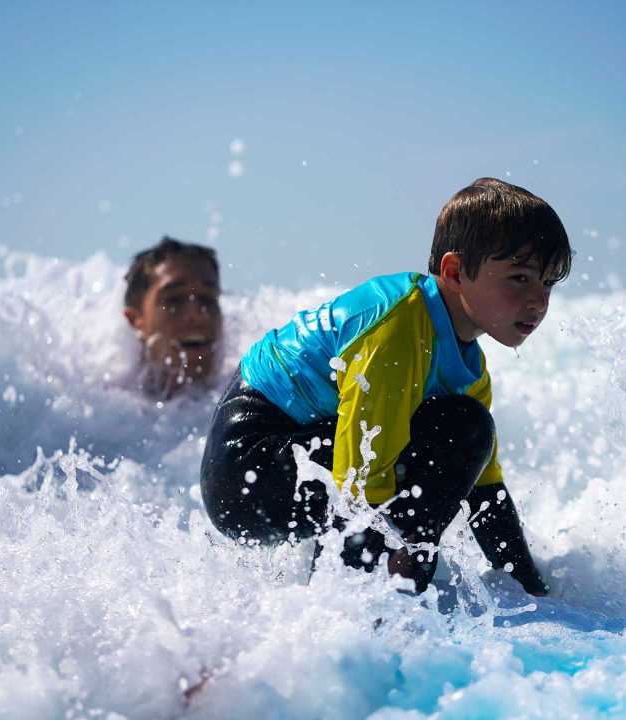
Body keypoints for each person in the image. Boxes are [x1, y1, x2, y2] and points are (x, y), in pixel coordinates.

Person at [200, 178, 570, 596]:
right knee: (458, 428)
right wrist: (372, 583)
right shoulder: (397, 328)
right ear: (453, 272)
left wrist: (535, 592)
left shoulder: (469, 368)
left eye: (548, 283)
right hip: (247, 466)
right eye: (519, 278)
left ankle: (388, 585)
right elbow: (359, 474)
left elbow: (484, 491)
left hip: (298, 453)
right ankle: (360, 601)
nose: (538, 300)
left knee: (466, 430)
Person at [123, 237, 223, 399]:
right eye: (174, 300)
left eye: (208, 299)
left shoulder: (256, 394)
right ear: (135, 320)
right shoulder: (105, 409)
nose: (197, 314)